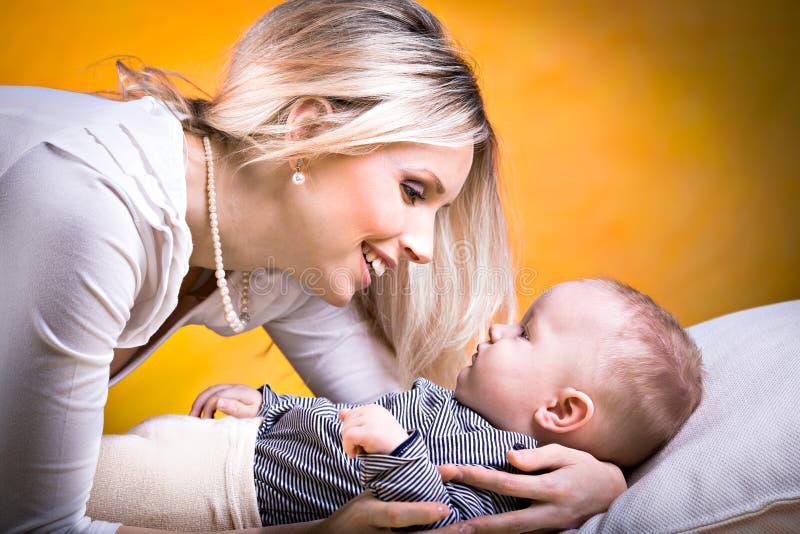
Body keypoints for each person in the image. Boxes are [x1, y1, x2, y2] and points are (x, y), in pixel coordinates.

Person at [87, 278, 703, 530]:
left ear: (562, 412)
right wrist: (272, 408)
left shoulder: (509, 470)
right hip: (234, 450)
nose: (497, 329)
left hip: (232, 488)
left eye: (525, 334)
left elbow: (439, 517)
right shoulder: (450, 409)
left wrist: (398, 450)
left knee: (64, 491)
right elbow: (343, 427)